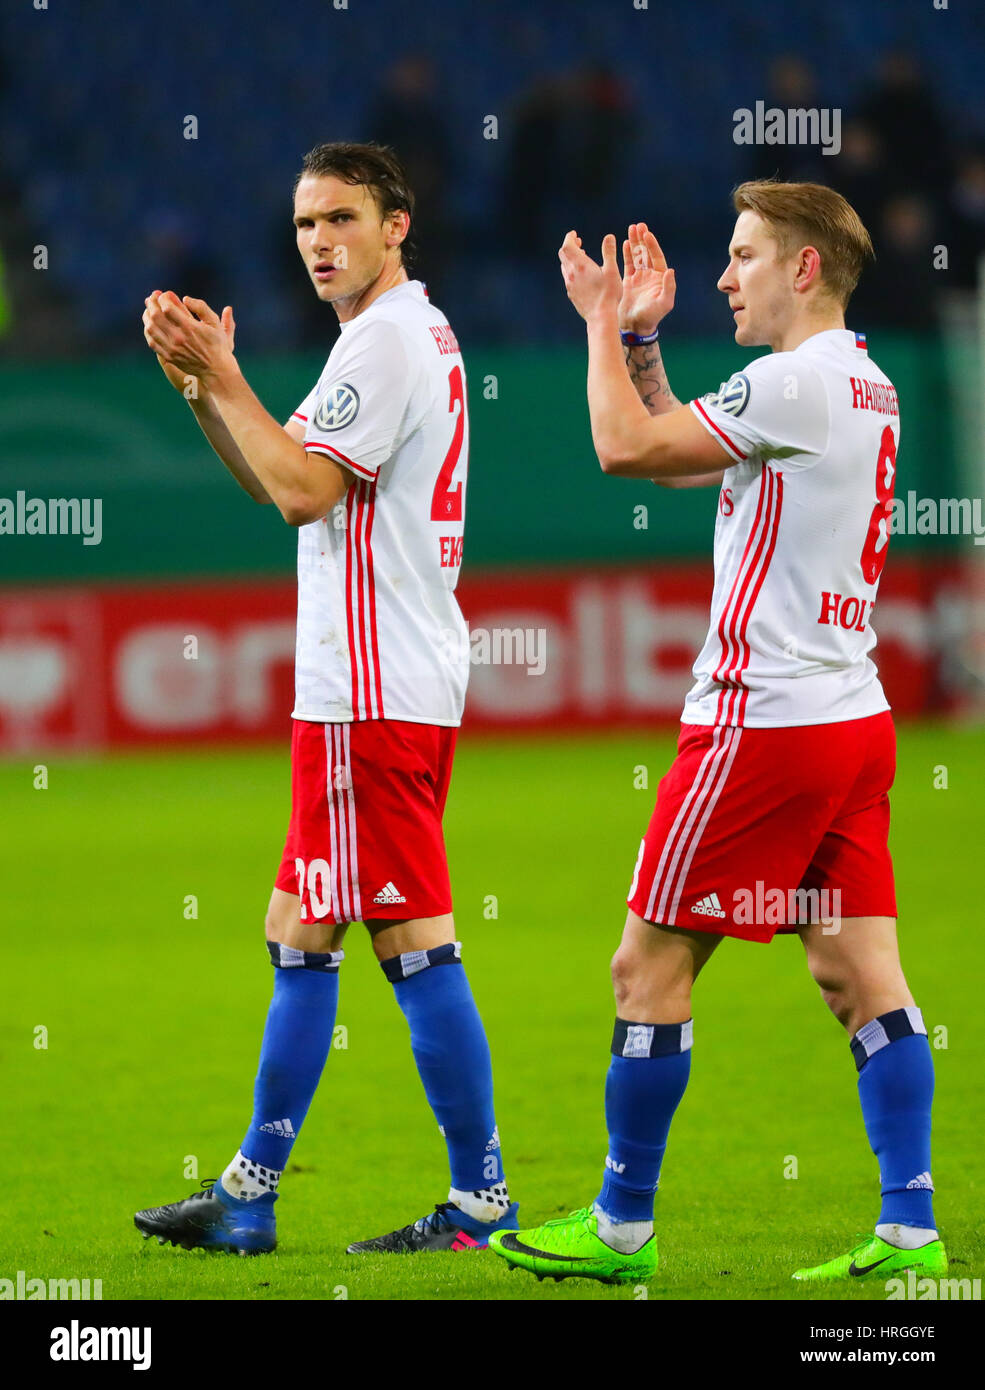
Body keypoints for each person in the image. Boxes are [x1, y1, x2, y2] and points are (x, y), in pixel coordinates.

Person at [489, 181, 945, 1287]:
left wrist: (600, 321)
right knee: (859, 974)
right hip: (851, 718)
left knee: (644, 968)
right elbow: (693, 453)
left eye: (743, 257)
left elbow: (622, 449)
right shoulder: (863, 380)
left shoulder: (792, 380)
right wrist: (644, 345)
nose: (724, 278)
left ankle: (619, 1227)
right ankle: (909, 1228)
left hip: (763, 721)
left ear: (803, 268)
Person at [134, 141, 517, 1257]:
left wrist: (228, 377)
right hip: (384, 687)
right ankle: (249, 1194)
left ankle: (475, 1201)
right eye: (305, 224)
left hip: (367, 693)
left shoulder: (386, 341)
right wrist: (205, 389)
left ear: (397, 225)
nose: (319, 241)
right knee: (306, 930)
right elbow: (274, 476)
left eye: (342, 218)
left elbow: (303, 492)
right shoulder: (388, 338)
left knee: (409, 939)